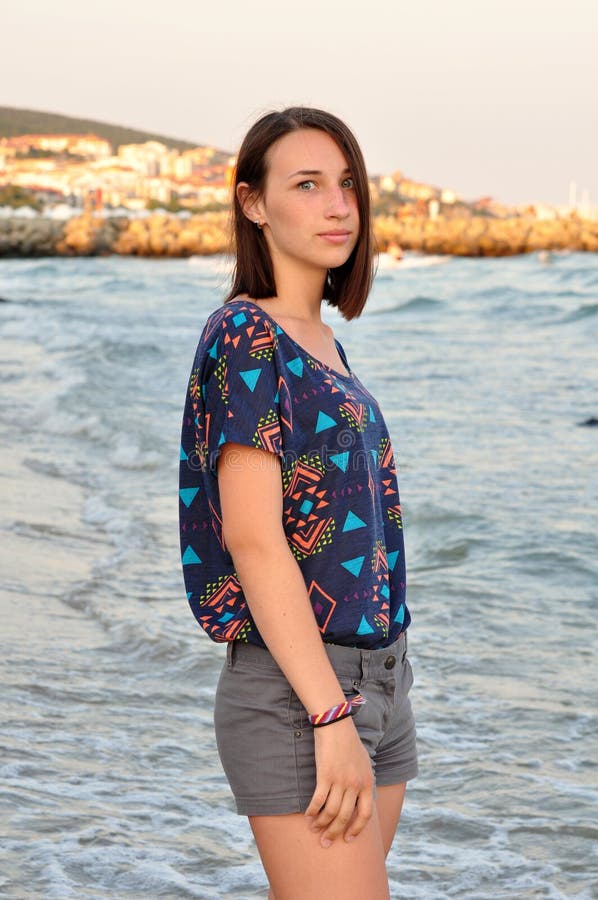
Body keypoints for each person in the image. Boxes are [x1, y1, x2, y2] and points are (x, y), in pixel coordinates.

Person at [179, 106, 417, 900]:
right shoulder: (246, 335)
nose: (338, 205)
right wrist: (329, 717)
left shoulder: (322, 341)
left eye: (347, 184)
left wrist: (370, 699)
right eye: (307, 184)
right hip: (303, 691)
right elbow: (253, 541)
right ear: (253, 203)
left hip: (380, 677)